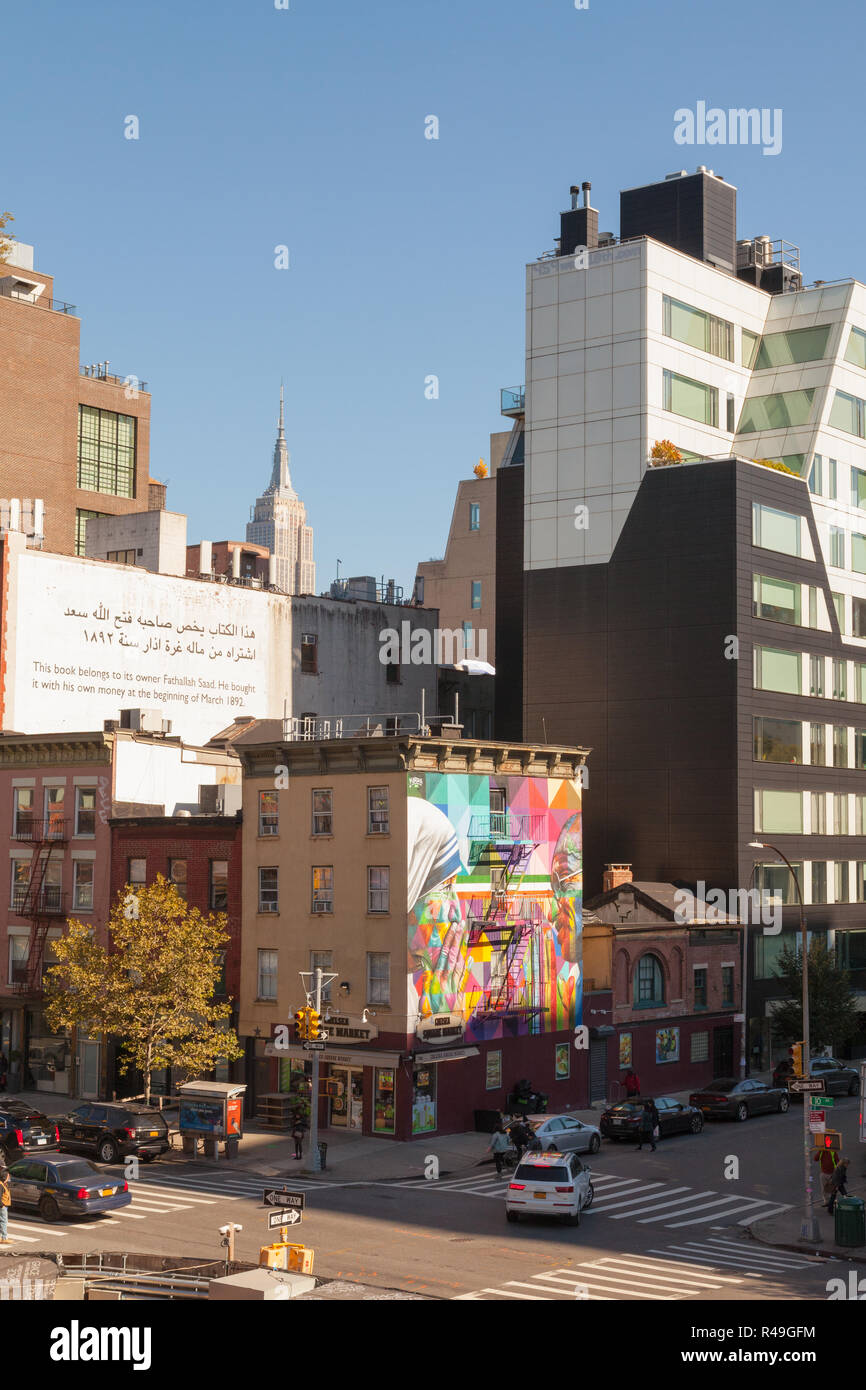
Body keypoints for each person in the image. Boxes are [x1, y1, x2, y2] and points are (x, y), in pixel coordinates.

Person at [0, 1164, 12, 1245]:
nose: (9, 1177)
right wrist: (2, 1205)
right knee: (4, 1221)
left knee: (2, 1221)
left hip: (4, 1206)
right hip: (2, 1206)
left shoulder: (4, 1184)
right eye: (8, 1176)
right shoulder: (1, 1185)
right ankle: (4, 1238)